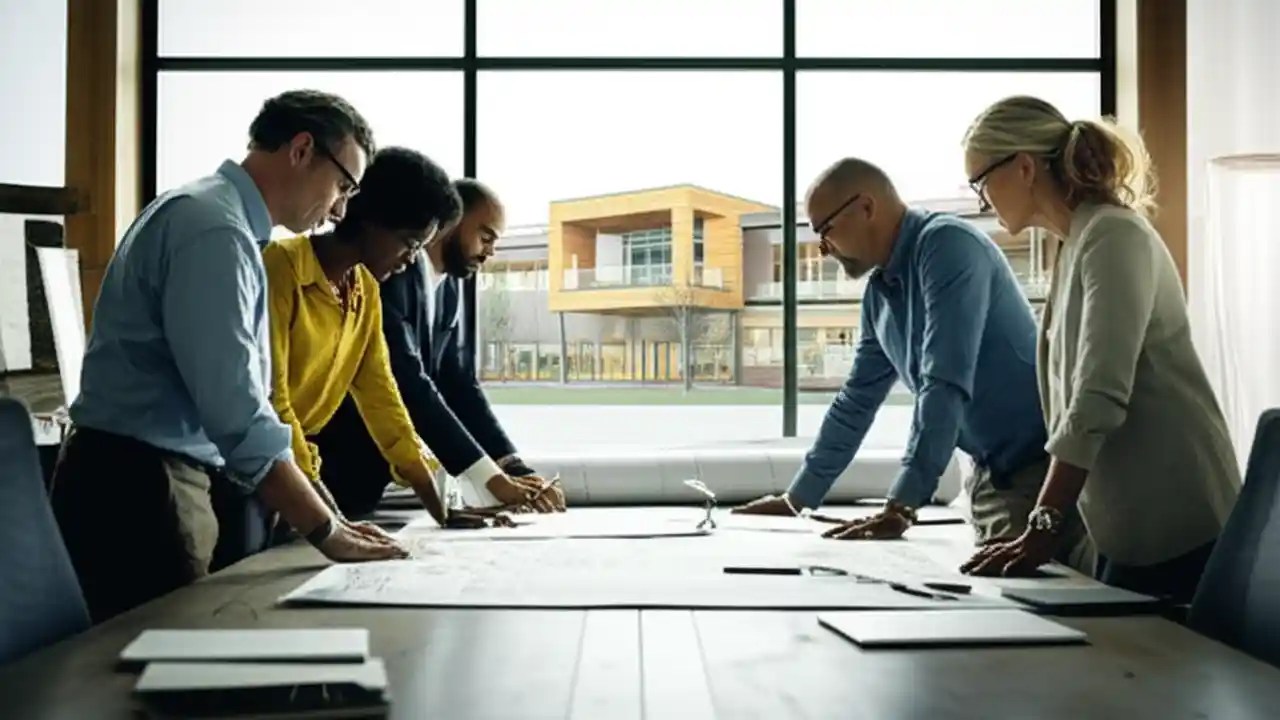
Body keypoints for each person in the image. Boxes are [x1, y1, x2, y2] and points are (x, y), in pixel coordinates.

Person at [51, 90, 407, 624]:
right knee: (161, 659)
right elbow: (237, 412)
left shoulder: (214, 216)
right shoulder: (215, 231)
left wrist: (326, 513)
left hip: (145, 471)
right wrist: (327, 530)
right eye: (343, 186)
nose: (340, 210)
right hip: (141, 484)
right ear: (301, 150)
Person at [732, 158, 1091, 572]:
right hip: (990, 479)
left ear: (865, 207)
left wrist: (902, 505)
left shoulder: (947, 246)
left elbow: (944, 381)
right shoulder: (880, 294)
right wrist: (799, 499)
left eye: (825, 231)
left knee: (1050, 599)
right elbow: (856, 402)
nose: (824, 250)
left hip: (1046, 475)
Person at [957, 96, 1240, 601]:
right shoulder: (1076, 243)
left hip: (1178, 523)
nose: (982, 201)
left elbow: (1097, 399)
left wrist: (1041, 527)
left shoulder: (1113, 235)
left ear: (1024, 167)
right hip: (1125, 527)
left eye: (981, 182)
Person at [312, 178, 566, 518]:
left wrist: (511, 465)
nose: (490, 252)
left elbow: (459, 385)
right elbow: (409, 383)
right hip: (331, 467)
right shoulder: (390, 275)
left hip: (372, 485)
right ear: (452, 222)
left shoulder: (450, 289)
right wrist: (489, 479)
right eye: (486, 237)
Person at [262, 146, 461, 529]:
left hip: (297, 468)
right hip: (248, 466)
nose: (411, 259)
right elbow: (275, 404)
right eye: (409, 243)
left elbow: (382, 398)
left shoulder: (364, 290)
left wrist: (443, 508)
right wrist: (335, 522)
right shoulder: (280, 270)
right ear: (373, 221)